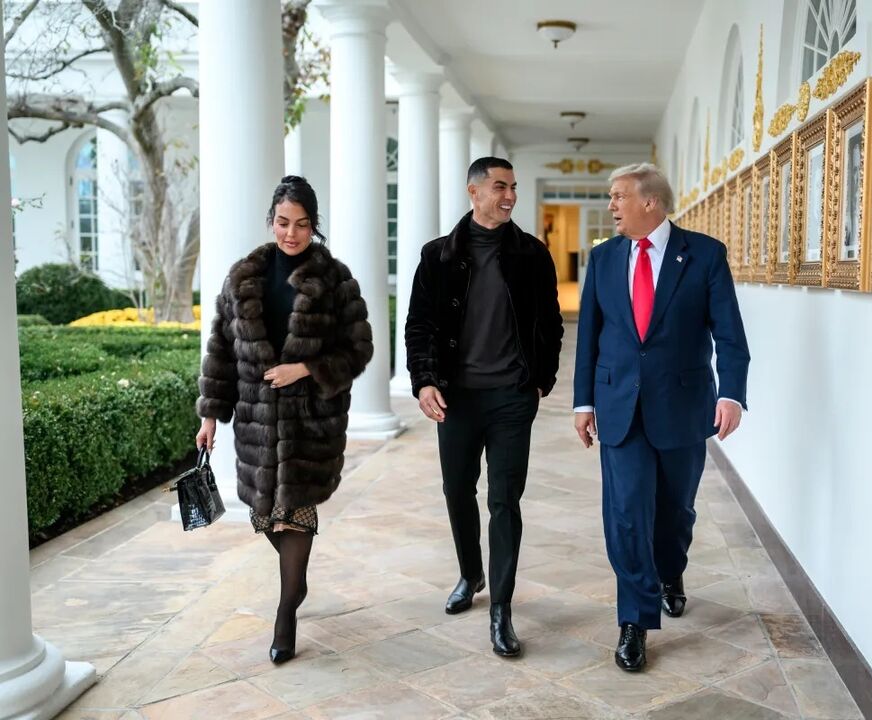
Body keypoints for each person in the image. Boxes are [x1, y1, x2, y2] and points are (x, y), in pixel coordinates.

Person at [573, 163, 750, 672]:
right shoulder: (604, 258)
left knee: (675, 512)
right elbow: (590, 335)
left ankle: (671, 570)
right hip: (619, 408)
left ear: (650, 202)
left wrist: (732, 395)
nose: (611, 206)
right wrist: (583, 403)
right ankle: (635, 618)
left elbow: (729, 333)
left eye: (619, 196)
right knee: (627, 513)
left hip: (682, 406)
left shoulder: (705, 255)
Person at [195, 176, 373, 665]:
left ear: (314, 226)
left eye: (301, 224)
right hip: (255, 421)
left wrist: (307, 368)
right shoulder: (242, 278)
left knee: (295, 510)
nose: (291, 233)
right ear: (270, 221)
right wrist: (210, 415)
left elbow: (359, 348)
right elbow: (220, 350)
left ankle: (286, 612)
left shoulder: (335, 279)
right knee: (264, 514)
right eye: (282, 222)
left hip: (310, 420)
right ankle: (296, 582)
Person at [405, 157, 563, 658]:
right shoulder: (438, 256)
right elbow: (419, 326)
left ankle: (501, 608)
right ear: (473, 192)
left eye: (513, 186)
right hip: (457, 398)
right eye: (499, 186)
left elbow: (551, 323)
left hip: (512, 396)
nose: (509, 195)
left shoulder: (532, 254)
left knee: (504, 500)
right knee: (457, 490)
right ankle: (470, 573)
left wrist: (540, 380)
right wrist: (424, 381)